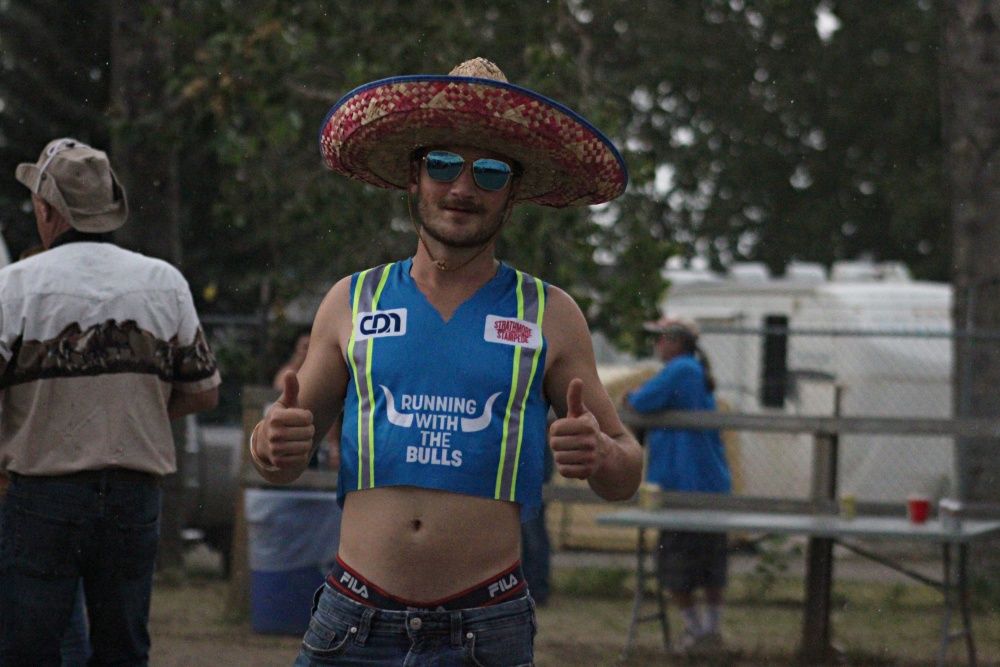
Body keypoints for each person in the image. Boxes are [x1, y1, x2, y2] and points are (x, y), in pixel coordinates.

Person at [251, 57, 643, 665]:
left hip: (485, 627)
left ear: (513, 190)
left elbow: (626, 474)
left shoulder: (550, 313)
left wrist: (601, 454)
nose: (462, 188)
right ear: (414, 176)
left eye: (489, 172)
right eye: (442, 165)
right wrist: (269, 440)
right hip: (352, 621)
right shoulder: (351, 301)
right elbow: (278, 460)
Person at [0, 138, 221, 665]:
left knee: (28, 647)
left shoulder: (15, 286)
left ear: (47, 209)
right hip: (133, 496)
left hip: (42, 495)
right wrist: (131, 406)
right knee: (122, 647)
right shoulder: (162, 282)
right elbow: (206, 390)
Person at [624, 316, 732, 655]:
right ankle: (706, 633)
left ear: (677, 342)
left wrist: (631, 395)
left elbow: (638, 402)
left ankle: (701, 633)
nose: (657, 344)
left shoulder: (682, 370)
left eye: (661, 338)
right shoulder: (690, 370)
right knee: (707, 564)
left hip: (686, 483)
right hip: (702, 483)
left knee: (678, 564)